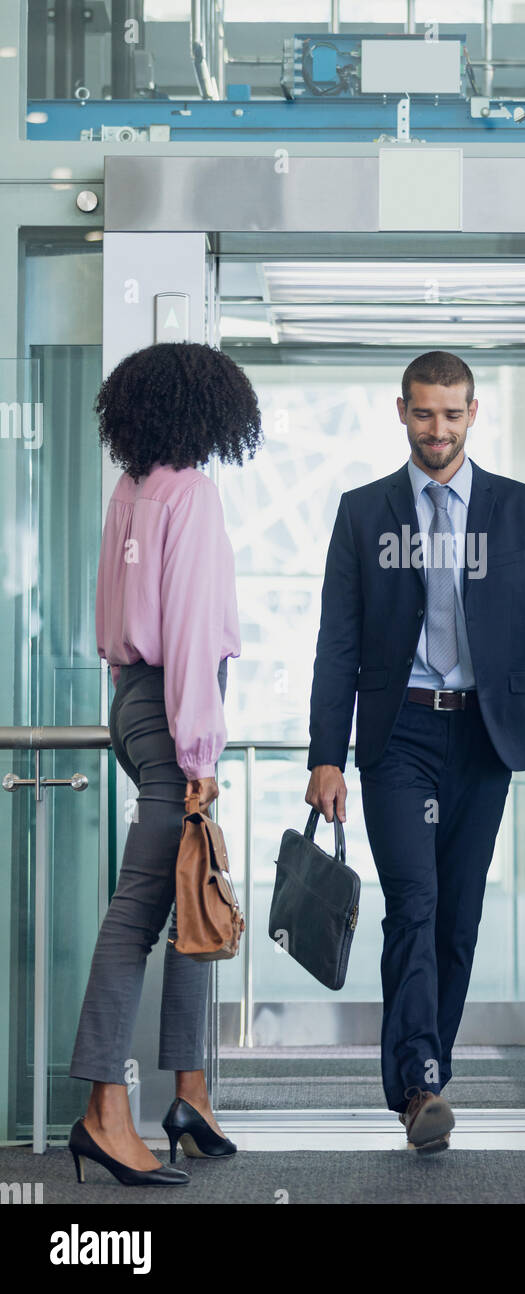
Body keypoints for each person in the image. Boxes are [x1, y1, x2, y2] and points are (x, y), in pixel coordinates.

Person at [305, 350, 525, 1154]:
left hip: (482, 736)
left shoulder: (519, 511)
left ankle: (423, 1071)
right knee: (415, 904)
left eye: (453, 413)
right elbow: (337, 644)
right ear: (401, 410)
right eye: (424, 413)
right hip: (398, 732)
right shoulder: (363, 514)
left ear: (475, 414)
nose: (438, 430)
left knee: (459, 919)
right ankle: (421, 1083)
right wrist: (325, 755)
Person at [68, 341, 261, 1187]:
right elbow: (186, 631)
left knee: (194, 893)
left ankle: (190, 1092)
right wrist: (195, 751)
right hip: (177, 709)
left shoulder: (129, 491)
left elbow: (111, 621)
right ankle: (104, 1113)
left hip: (133, 703)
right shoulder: (193, 495)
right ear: (209, 411)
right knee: (143, 908)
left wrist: (146, 722)